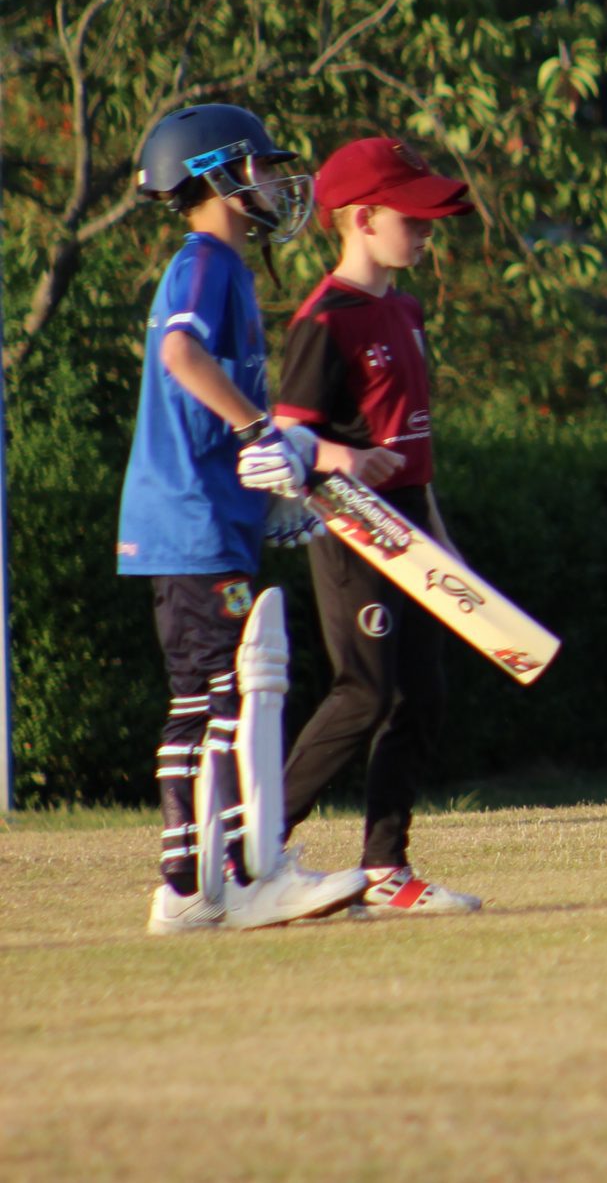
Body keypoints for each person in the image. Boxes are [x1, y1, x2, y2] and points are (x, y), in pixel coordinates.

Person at [118, 103, 370, 934]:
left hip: (207, 518)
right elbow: (179, 356)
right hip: (189, 521)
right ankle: (231, 877)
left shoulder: (226, 267)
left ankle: (195, 888)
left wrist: (266, 496)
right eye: (259, 167)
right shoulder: (206, 261)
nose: (273, 183)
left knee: (215, 697)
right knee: (225, 699)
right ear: (220, 174)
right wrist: (259, 431)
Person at [265, 136, 484, 917]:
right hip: (353, 527)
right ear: (361, 218)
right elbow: (288, 437)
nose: (426, 232)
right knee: (365, 690)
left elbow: (417, 452)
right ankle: (252, 850)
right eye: (412, 218)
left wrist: (445, 541)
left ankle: (385, 870)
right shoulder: (323, 319)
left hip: (414, 524)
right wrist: (343, 459)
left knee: (421, 696)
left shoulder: (405, 306)